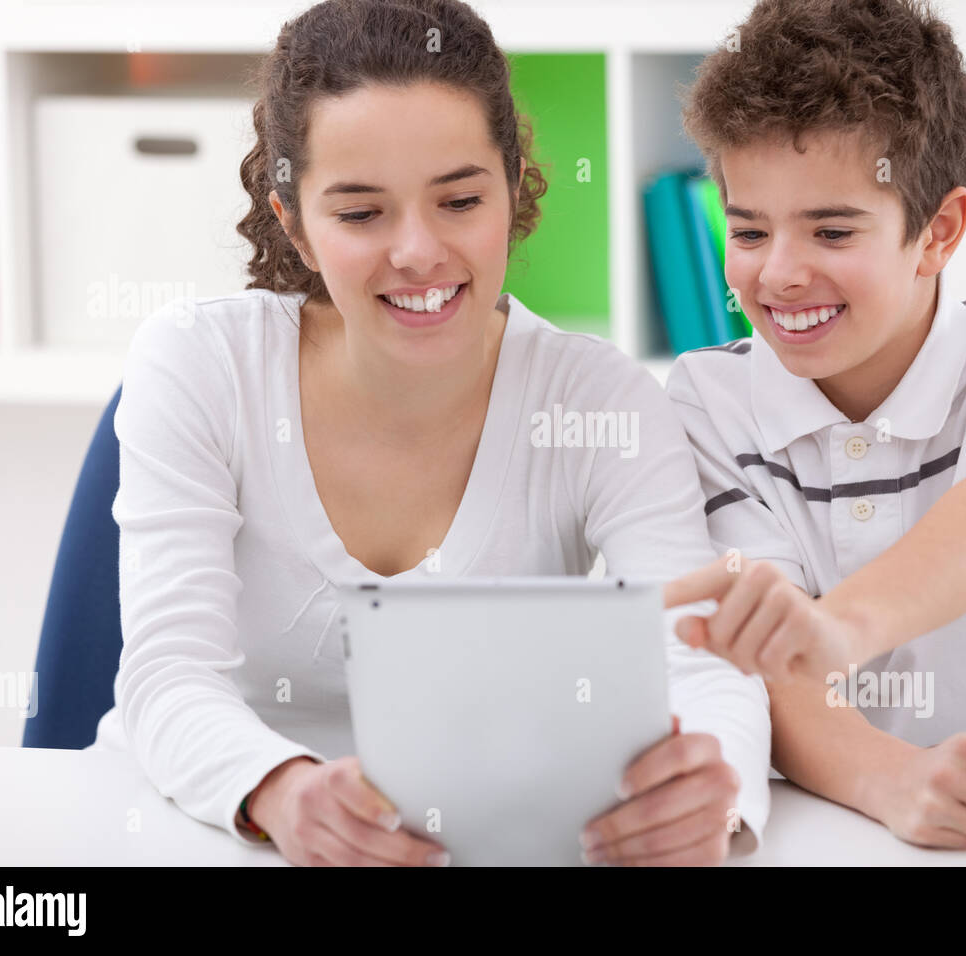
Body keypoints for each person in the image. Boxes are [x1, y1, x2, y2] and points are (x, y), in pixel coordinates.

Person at [88, 0, 770, 867]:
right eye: (360, 214)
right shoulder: (201, 363)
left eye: (459, 200)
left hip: (489, 842)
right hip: (212, 834)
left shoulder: (601, 400)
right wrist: (285, 794)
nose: (418, 251)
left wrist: (709, 795)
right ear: (295, 225)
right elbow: (167, 673)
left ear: (513, 191)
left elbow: (697, 658)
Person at [663, 0, 966, 851]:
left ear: (939, 231)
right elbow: (772, 673)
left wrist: (842, 626)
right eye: (748, 230)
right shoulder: (708, 401)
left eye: (831, 230)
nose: (778, 274)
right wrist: (897, 780)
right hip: (856, 834)